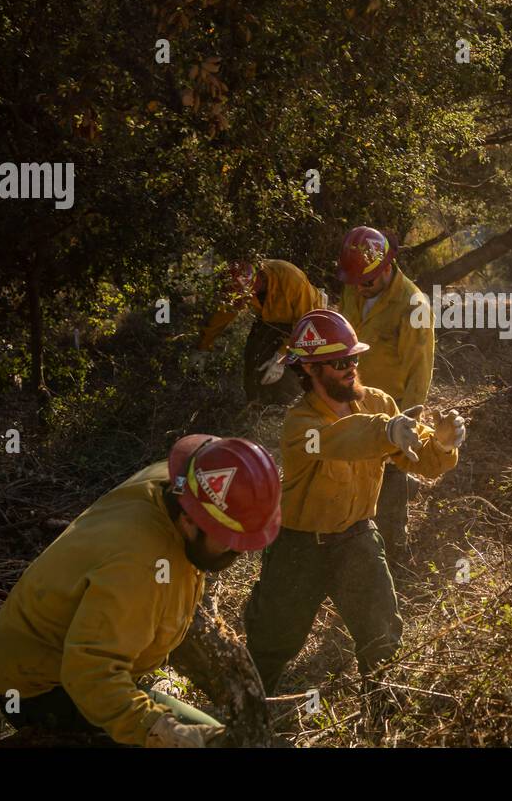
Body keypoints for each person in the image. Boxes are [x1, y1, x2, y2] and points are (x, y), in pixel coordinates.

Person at [0, 436, 280, 747]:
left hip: (69, 660)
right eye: (229, 540)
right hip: (40, 687)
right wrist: (163, 732)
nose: (238, 553)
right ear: (190, 521)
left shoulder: (180, 484)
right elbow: (91, 675)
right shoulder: (142, 566)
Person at [241, 310, 462, 721]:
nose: (352, 369)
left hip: (357, 538)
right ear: (309, 367)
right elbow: (341, 440)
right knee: (272, 642)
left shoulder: (380, 403)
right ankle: (243, 720)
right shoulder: (300, 423)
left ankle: (384, 725)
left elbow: (423, 460)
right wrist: (386, 432)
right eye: (340, 363)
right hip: (298, 547)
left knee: (382, 637)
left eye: (354, 359)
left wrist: (444, 446)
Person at [336, 227, 434, 568]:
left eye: (367, 282)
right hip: (351, 406)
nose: (360, 289)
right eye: (356, 283)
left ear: (386, 268)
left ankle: (396, 558)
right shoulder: (353, 288)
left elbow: (419, 373)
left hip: (391, 411)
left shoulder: (414, 305)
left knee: (390, 489)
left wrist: (407, 425)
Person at [194, 258, 325, 404]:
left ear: (257, 280)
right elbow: (224, 314)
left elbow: (305, 325)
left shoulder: (292, 279)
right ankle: (255, 406)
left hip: (309, 322)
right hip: (272, 319)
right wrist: (203, 347)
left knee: (298, 363)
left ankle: (294, 405)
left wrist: (281, 358)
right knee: (254, 356)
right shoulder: (242, 287)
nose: (244, 298)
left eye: (245, 294)